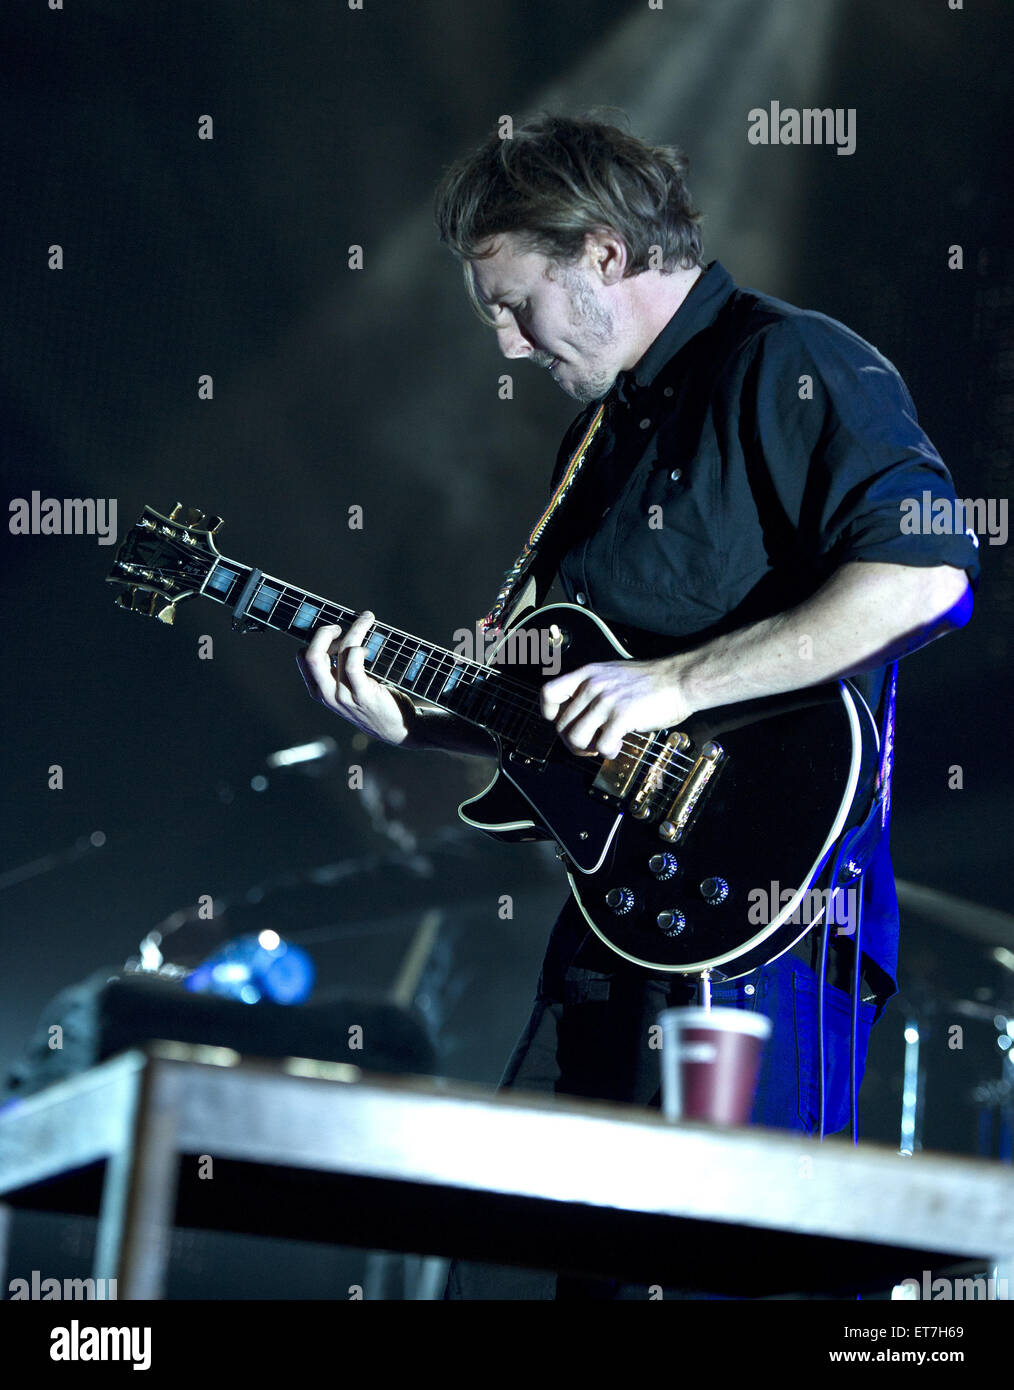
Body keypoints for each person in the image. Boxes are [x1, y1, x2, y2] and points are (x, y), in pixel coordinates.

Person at [295, 113, 980, 1298]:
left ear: (605, 255)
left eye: (517, 305)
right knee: (564, 1263)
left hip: (771, 925)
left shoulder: (793, 361)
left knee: (732, 1274)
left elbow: (926, 575)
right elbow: (566, 699)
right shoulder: (597, 439)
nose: (508, 345)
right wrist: (416, 718)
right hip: (618, 923)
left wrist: (675, 684)